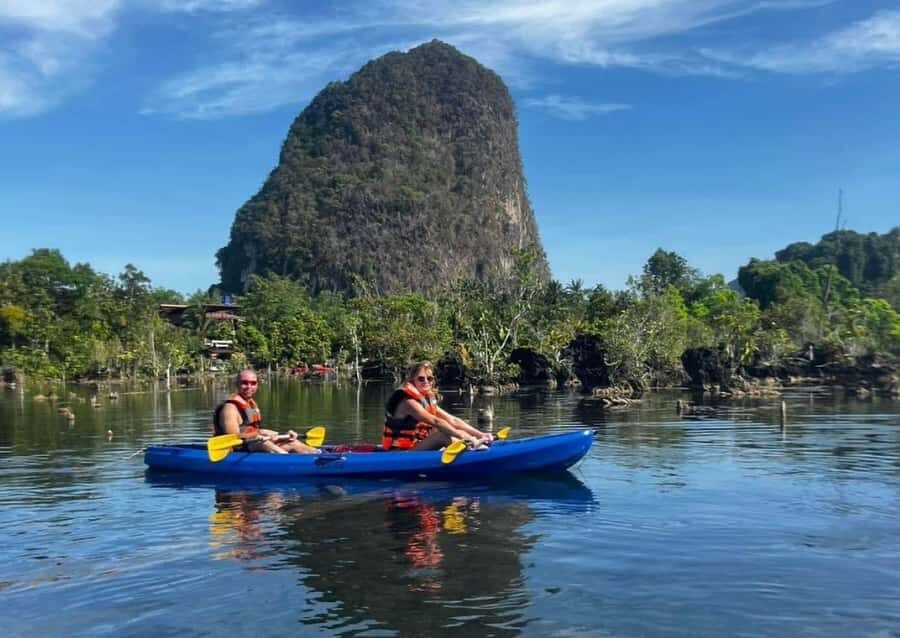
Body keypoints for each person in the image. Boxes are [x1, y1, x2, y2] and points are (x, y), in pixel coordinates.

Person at [382, 361, 493, 451]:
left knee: (450, 429)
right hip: (400, 453)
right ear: (412, 381)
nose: (426, 381)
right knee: (441, 435)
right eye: (421, 379)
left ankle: (473, 444)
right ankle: (471, 446)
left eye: (429, 378)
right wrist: (467, 438)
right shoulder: (408, 402)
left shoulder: (426, 399)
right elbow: (436, 422)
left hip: (417, 446)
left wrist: (480, 434)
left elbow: (453, 420)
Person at [213, 369, 319, 454]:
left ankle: (318, 454)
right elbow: (232, 437)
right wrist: (259, 436)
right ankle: (284, 460)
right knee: (262, 442)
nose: (249, 387)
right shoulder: (230, 408)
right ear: (237, 384)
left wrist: (284, 435)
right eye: (244, 383)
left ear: (257, 385)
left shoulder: (250, 405)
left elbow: (253, 429)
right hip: (237, 450)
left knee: (293, 442)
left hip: (254, 444)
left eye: (253, 383)